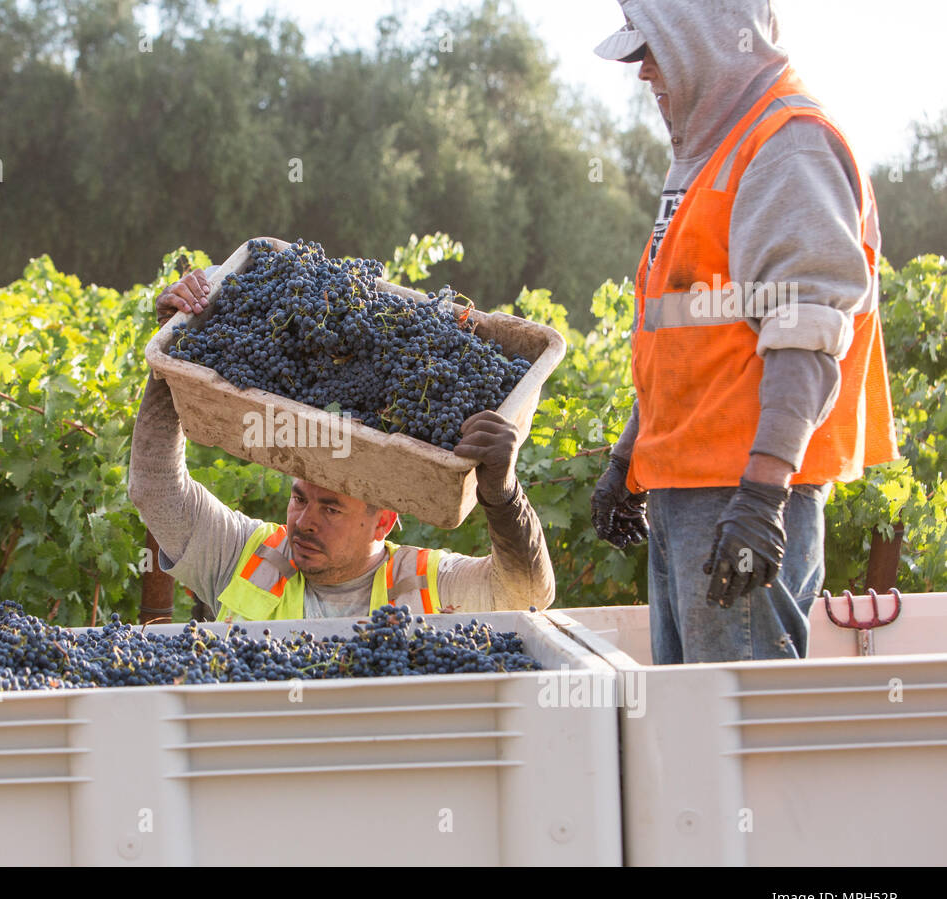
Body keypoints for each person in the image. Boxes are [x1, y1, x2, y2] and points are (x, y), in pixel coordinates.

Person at [589, 1, 896, 664]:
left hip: (739, 496)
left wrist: (760, 499)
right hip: (694, 493)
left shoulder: (787, 144)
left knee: (739, 736)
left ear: (700, 38)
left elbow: (807, 340)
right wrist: (627, 458)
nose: (643, 74)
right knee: (696, 728)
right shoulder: (712, 155)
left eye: (653, 51)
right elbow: (692, 340)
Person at [127, 268, 556, 622]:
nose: (305, 521)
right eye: (299, 499)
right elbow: (155, 488)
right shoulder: (245, 555)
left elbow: (527, 594)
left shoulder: (425, 582)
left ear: (384, 522)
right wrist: (174, 354)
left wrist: (503, 496)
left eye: (331, 508)